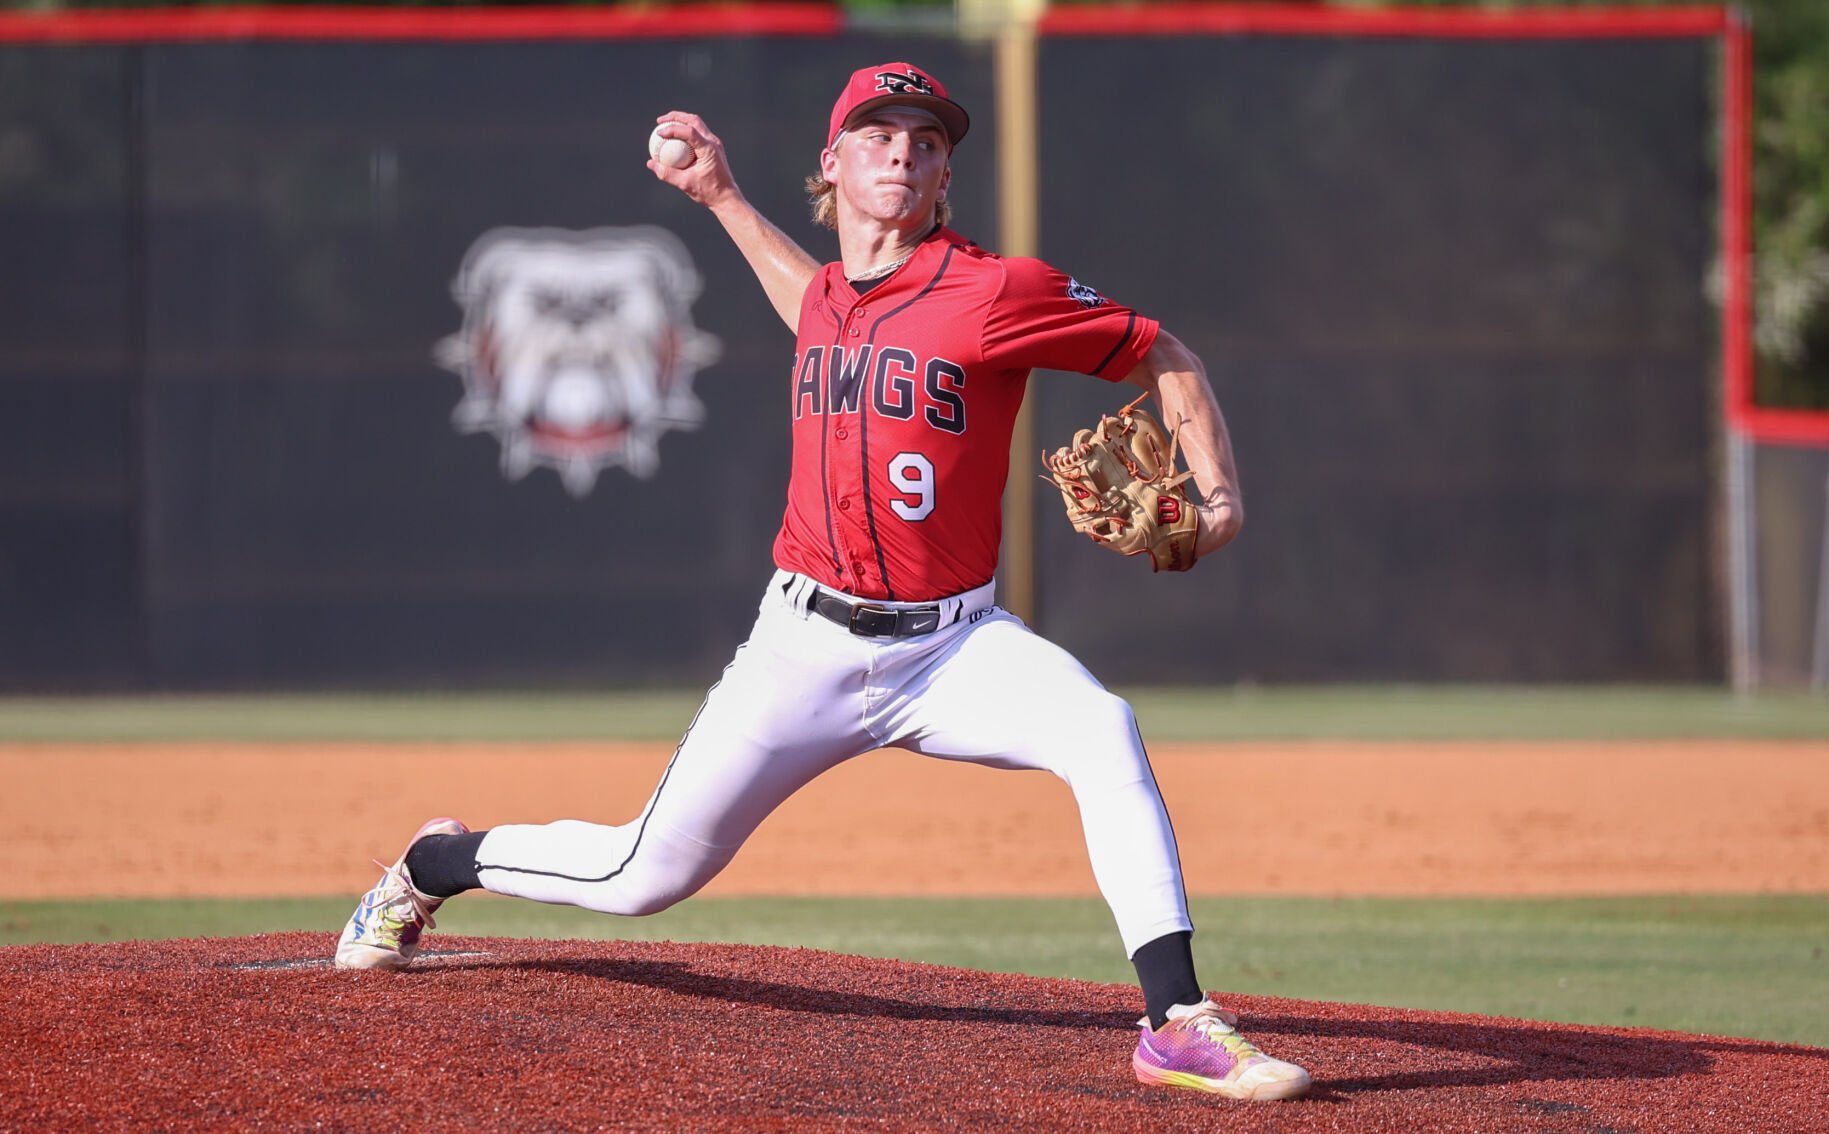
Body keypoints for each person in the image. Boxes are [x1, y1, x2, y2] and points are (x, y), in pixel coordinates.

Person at [335, 62, 1310, 1103]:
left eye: (926, 142)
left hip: (951, 648)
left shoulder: (995, 291)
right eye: (880, 133)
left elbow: (1161, 351)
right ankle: (434, 866)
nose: (903, 152)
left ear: (943, 178)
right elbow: (811, 300)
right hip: (801, 647)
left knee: (1099, 727)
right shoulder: (833, 299)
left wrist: (1218, 505)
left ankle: (1174, 1021)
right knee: (641, 877)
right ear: (832, 164)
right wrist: (717, 196)